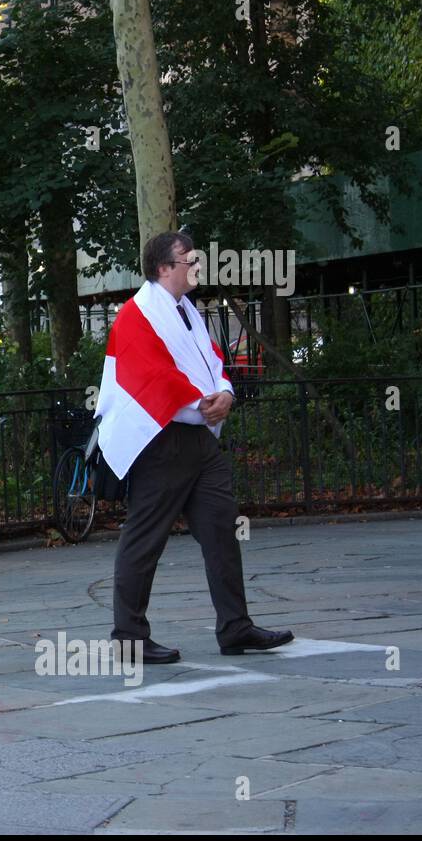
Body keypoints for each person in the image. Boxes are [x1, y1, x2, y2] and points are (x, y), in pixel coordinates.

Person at [94, 231, 293, 663]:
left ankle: (235, 627)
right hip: (159, 439)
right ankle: (129, 636)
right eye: (190, 260)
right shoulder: (137, 313)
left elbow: (212, 360)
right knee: (145, 538)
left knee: (222, 528)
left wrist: (225, 392)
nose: (198, 266)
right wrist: (205, 402)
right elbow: (149, 375)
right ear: (164, 268)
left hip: (196, 438)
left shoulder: (186, 309)